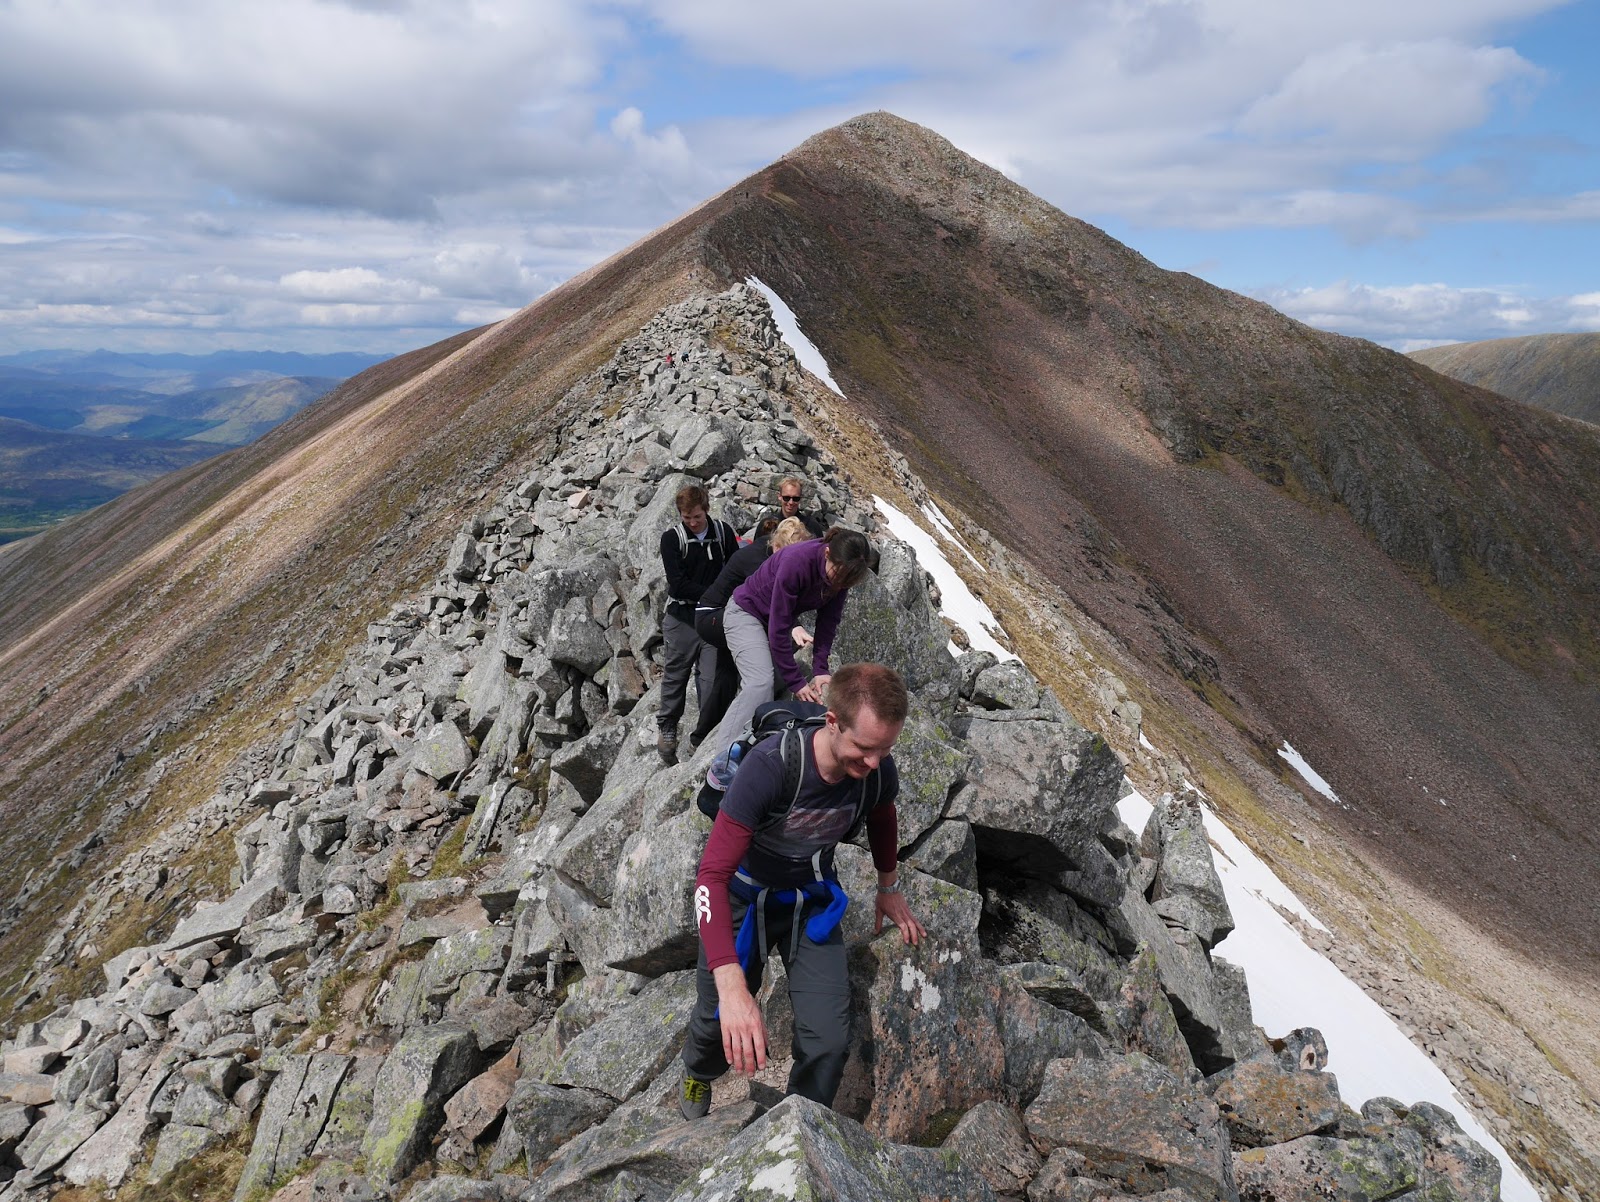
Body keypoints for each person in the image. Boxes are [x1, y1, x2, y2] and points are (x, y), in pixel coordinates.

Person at [680, 663, 925, 1118]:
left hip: (809, 901)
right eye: (864, 748)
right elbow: (711, 877)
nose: (874, 763)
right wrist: (732, 986)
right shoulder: (770, 767)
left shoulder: (875, 771)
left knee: (828, 1042)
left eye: (885, 749)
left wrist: (888, 886)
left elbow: (882, 815)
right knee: (717, 1017)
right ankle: (698, 1072)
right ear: (832, 722)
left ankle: (800, 1126)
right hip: (742, 898)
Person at [705, 526, 874, 788]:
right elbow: (778, 626)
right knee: (760, 682)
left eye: (844, 583)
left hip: (773, 620)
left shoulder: (842, 573)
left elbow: (828, 622)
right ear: (827, 553)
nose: (837, 585)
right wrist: (796, 682)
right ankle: (723, 763)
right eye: (837, 576)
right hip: (746, 613)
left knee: (774, 684)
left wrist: (820, 669)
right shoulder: (797, 561)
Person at [690, 517, 815, 750]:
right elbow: (775, 602)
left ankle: (702, 737)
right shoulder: (759, 559)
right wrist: (794, 626)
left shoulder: (774, 554)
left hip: (732, 612)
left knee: (728, 674)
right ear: (776, 546)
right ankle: (727, 742)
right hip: (713, 615)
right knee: (757, 675)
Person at [657, 484, 739, 764]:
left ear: (706, 509)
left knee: (712, 679)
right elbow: (677, 584)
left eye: (697, 517)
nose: (692, 523)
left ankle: (705, 736)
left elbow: (736, 570)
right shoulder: (672, 539)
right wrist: (714, 593)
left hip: (713, 619)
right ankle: (668, 728)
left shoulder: (723, 533)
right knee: (675, 674)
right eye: (686, 517)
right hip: (682, 618)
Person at [747, 476, 828, 540]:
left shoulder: (812, 526)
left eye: (795, 498)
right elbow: (757, 550)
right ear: (779, 496)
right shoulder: (767, 525)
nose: (791, 502)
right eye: (786, 498)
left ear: (801, 498)